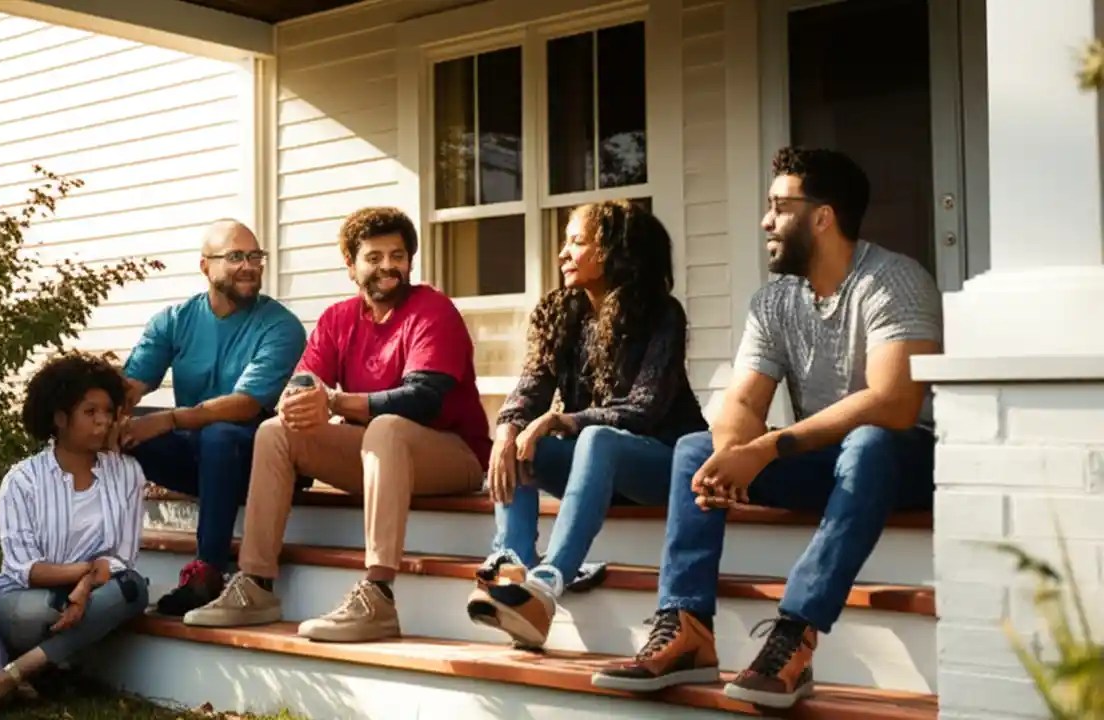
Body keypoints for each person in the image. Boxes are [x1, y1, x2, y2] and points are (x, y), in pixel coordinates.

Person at [590, 147, 942, 708]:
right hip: (822, 459)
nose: (765, 221)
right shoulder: (775, 299)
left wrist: (766, 449)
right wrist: (732, 456)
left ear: (822, 217)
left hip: (900, 461)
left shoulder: (894, 281)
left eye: (779, 206)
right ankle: (685, 629)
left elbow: (894, 404)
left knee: (869, 443)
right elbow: (743, 399)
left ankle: (794, 632)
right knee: (695, 447)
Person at [182, 206, 491, 642]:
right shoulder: (338, 319)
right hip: (378, 458)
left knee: (387, 426)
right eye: (375, 256)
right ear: (350, 265)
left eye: (398, 256)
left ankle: (378, 596)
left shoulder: (432, 310)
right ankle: (255, 584)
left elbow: (421, 400)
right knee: (275, 431)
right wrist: (301, 400)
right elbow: (304, 384)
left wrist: (336, 401)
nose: (389, 266)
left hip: (452, 455)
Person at [464, 201, 707, 649]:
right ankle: (512, 568)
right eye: (566, 241)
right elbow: (530, 389)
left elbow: (644, 409)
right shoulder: (560, 312)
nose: (563, 253)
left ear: (615, 250)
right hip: (592, 467)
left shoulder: (661, 313)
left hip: (659, 463)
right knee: (520, 442)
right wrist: (507, 430)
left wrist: (563, 418)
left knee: (596, 436)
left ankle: (548, 584)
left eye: (577, 242)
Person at [117, 219, 307, 617]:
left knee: (220, 433)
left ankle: (208, 571)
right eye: (236, 256)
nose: (249, 266)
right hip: (200, 459)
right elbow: (129, 387)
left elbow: (248, 404)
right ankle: (98, 565)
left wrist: (168, 420)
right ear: (206, 266)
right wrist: (102, 419)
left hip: (258, 464)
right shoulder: (174, 320)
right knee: (108, 427)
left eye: (256, 256)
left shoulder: (280, 326)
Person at [0, 353, 149, 709]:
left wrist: (85, 587)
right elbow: (26, 569)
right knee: (47, 608)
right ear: (60, 418)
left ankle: (15, 674)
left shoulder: (127, 473)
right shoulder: (22, 480)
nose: (103, 421)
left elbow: (123, 558)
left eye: (107, 411)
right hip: (25, 597)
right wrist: (84, 575)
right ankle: (49, 665)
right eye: (90, 412)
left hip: (94, 593)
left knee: (134, 589)